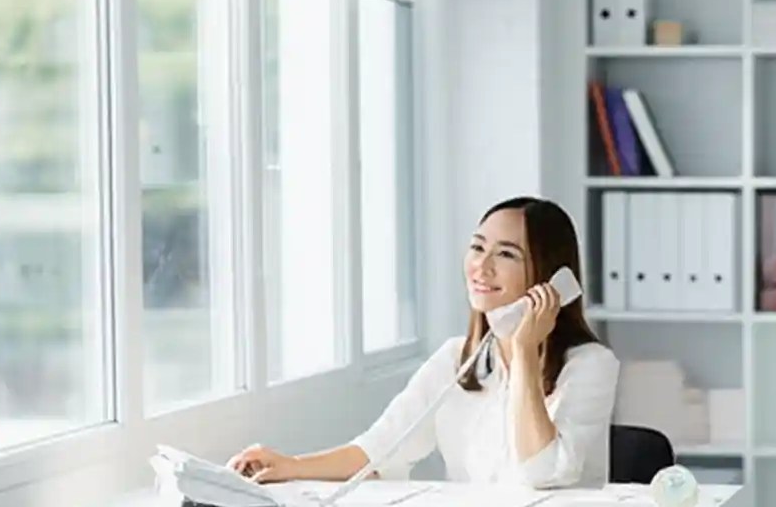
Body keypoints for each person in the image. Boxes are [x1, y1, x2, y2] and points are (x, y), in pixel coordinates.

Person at [227, 196, 620, 489]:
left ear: (548, 278)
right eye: (477, 247)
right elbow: (380, 450)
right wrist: (290, 466)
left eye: (506, 254)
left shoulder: (591, 365)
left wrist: (523, 353)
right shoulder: (456, 360)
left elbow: (542, 472)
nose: (482, 267)